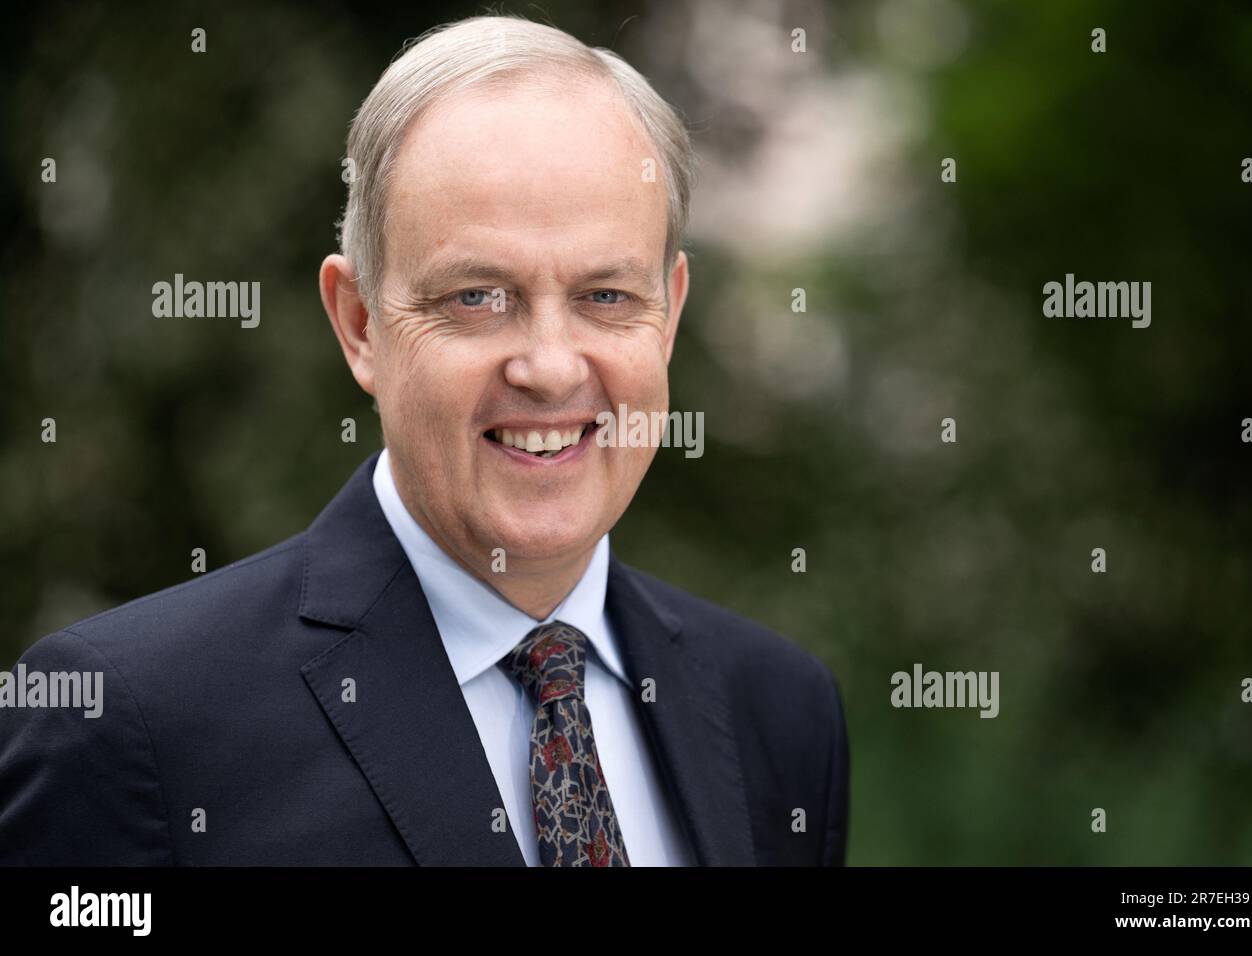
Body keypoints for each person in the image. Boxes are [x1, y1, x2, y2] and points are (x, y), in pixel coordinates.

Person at [0, 15, 849, 867]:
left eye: (605, 296)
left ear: (669, 312)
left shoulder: (778, 714)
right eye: (479, 297)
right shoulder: (127, 724)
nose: (550, 370)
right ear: (360, 324)